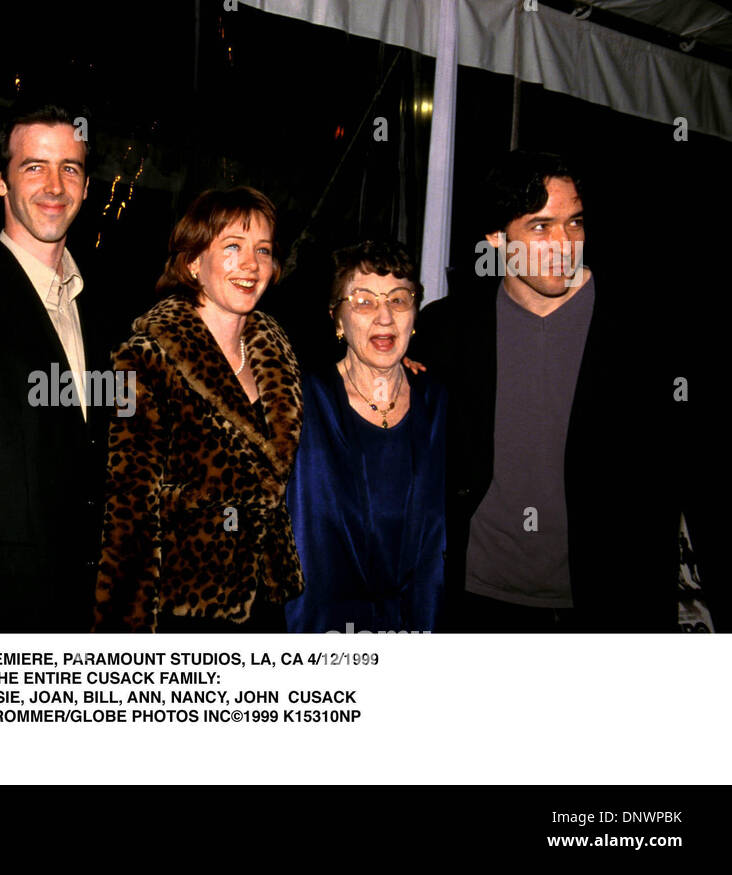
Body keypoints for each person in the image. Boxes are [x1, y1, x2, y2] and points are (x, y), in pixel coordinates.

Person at [410, 150, 710, 631]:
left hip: (610, 601)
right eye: (540, 227)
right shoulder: (447, 328)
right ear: (496, 239)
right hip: (479, 599)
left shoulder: (645, 330)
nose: (564, 245)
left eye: (575, 223)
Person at [0, 102, 118, 632]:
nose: (55, 186)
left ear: (87, 185)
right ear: (0, 181)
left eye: (70, 168)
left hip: (91, 605)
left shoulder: (106, 306)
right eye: (34, 166)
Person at [94, 187, 302, 632]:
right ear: (193, 262)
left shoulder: (278, 354)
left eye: (263, 250)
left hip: (264, 601)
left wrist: (393, 372)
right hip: (183, 608)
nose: (251, 265)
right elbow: (129, 510)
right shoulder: (146, 359)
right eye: (232, 247)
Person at [285, 241, 446, 633]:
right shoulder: (298, 406)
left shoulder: (442, 405)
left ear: (415, 314)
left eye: (399, 299)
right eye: (363, 302)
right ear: (337, 318)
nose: (384, 317)